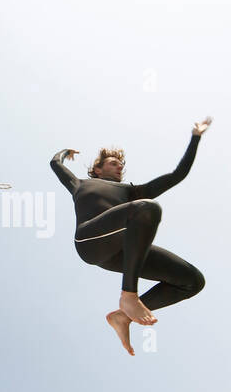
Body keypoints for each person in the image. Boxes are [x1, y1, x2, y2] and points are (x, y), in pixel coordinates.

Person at [51, 117, 211, 355]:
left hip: (120, 252)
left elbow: (177, 175)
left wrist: (195, 137)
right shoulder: (80, 184)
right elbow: (55, 163)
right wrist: (66, 152)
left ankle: (122, 317)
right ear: (97, 169)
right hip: (90, 242)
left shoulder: (131, 192)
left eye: (120, 166)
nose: (119, 167)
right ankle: (129, 295)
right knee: (147, 209)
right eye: (113, 163)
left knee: (193, 281)